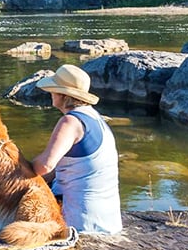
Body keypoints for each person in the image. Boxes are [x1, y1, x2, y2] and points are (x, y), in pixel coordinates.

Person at [32, 64, 122, 234]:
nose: (50, 94)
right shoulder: (95, 118)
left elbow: (45, 166)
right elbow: (63, 168)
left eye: (53, 90)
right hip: (108, 220)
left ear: (62, 94)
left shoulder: (70, 122)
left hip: (80, 222)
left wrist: (16, 166)